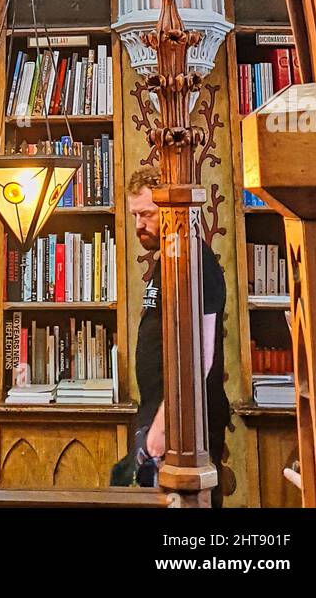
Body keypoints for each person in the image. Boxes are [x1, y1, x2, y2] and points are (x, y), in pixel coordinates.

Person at [112, 168, 230, 505]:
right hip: (160, 414)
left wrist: (164, 429)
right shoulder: (169, 259)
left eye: (147, 214)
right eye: (135, 215)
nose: (139, 225)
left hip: (184, 423)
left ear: (171, 211)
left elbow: (202, 354)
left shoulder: (196, 259)